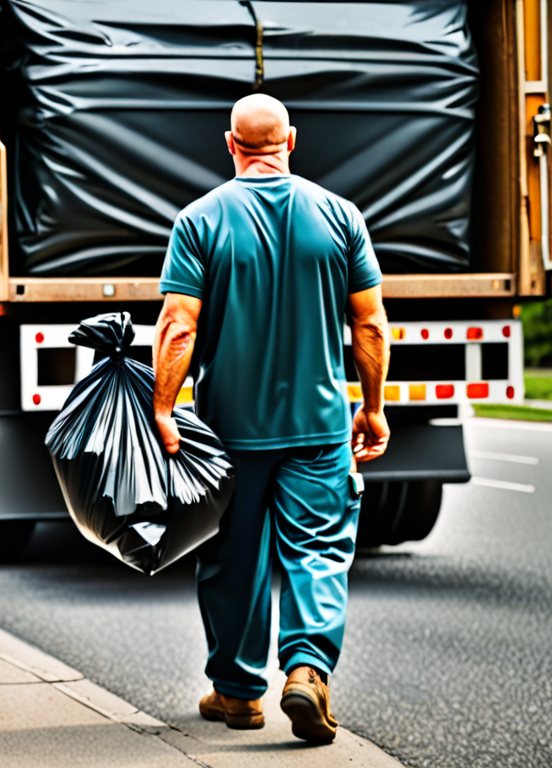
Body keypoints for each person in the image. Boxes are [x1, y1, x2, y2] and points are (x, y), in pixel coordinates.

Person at [152, 94, 390, 744]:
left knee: (232, 559)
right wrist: (371, 407)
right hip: (318, 426)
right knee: (318, 551)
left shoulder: (200, 220)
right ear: (293, 140)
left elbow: (178, 326)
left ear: (230, 144)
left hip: (231, 430)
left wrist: (164, 409)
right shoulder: (340, 217)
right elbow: (368, 321)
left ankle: (236, 693)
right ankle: (308, 669)